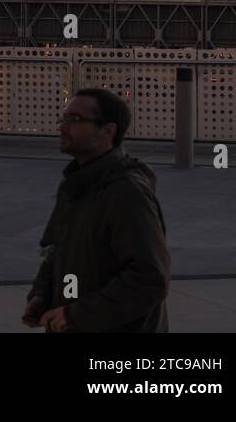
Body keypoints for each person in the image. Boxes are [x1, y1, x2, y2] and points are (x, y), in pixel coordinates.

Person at [23, 88, 170, 332]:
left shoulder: (127, 192)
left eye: (76, 120)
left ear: (108, 131)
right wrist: (42, 294)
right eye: (64, 118)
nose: (63, 126)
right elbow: (55, 251)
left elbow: (149, 279)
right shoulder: (74, 185)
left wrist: (76, 315)